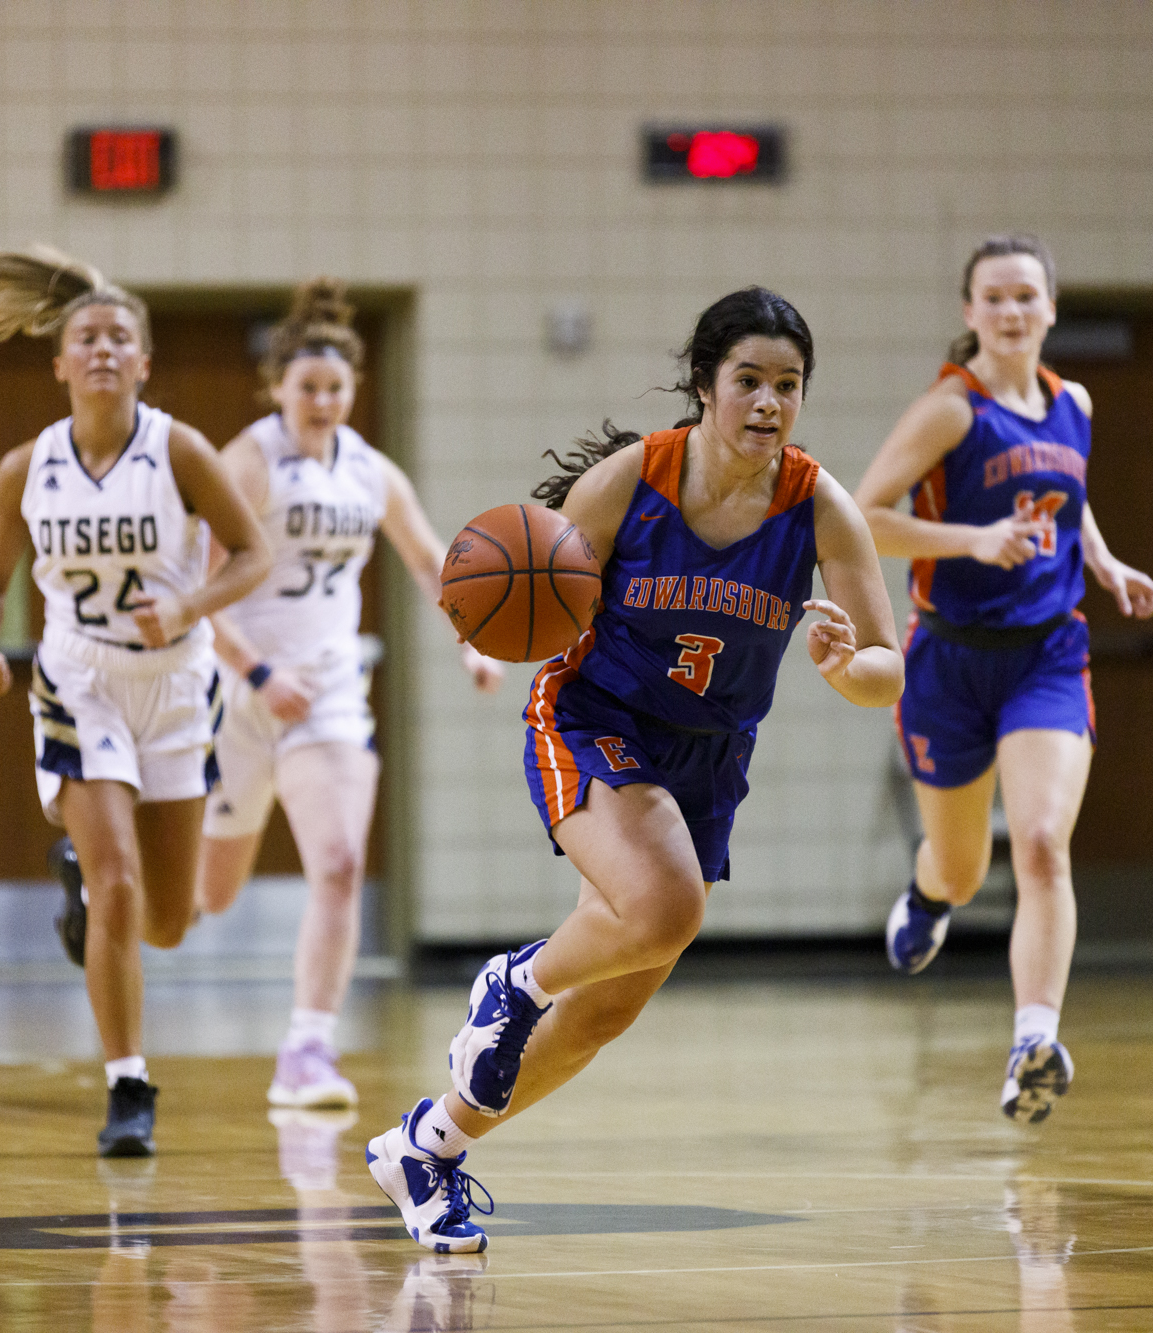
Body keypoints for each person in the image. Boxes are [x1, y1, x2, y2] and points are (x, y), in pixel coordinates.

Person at [362, 287, 904, 1253]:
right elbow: (543, 601)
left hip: (708, 756)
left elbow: (887, 667)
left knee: (607, 1006)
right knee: (668, 909)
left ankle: (427, 1145)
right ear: (705, 385)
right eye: (749, 381)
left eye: (789, 385)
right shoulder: (631, 480)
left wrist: (845, 665)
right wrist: (498, 628)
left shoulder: (820, 506)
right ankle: (513, 983)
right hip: (593, 717)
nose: (769, 403)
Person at [0, 247, 271, 1157]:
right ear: (59, 363)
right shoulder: (24, 467)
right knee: (121, 883)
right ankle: (128, 1085)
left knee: (168, 921)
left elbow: (254, 555)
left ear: (143, 362)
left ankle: (80, 884)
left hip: (176, 683)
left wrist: (187, 602)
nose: (102, 349)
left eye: (119, 337)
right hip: (79, 677)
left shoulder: (178, 449)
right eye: (86, 336)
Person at [850, 234, 1153, 1124]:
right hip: (948, 656)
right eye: (993, 298)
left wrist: (1102, 561)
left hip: (1046, 654)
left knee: (1037, 841)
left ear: (1051, 308)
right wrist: (969, 541)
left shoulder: (1076, 402)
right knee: (959, 866)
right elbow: (863, 518)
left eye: (1026, 296)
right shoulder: (951, 411)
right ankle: (928, 896)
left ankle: (1034, 1038)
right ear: (970, 312)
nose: (1011, 311)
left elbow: (1066, 494)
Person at [194, 279, 504, 1108]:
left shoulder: (371, 472)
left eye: (337, 388)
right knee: (208, 897)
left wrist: (472, 646)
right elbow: (194, 581)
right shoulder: (250, 460)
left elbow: (432, 561)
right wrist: (258, 668)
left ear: (351, 391)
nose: (324, 402)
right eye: (308, 388)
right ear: (278, 390)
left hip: (328, 695)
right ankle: (102, 877)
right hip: (239, 690)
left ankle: (306, 1050)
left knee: (337, 863)